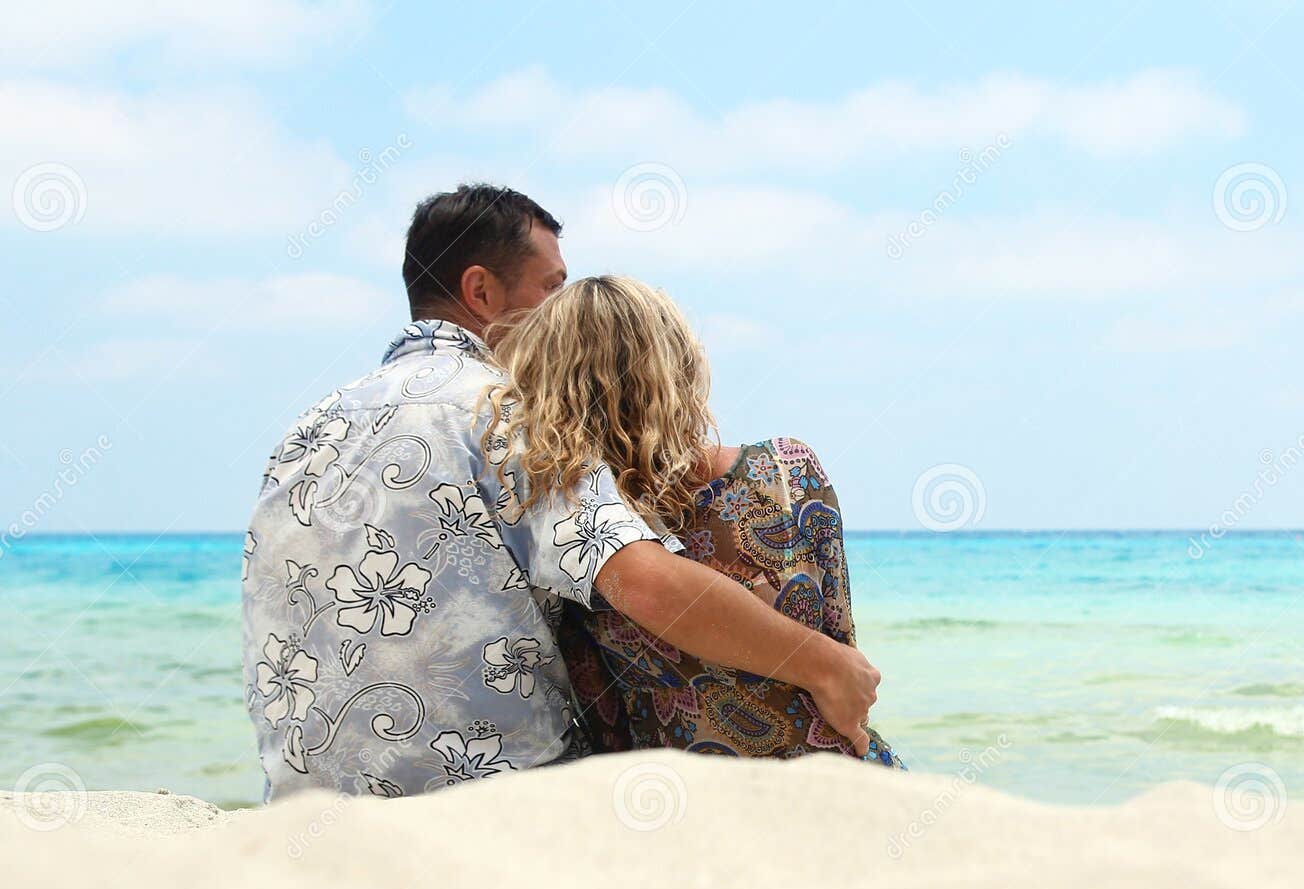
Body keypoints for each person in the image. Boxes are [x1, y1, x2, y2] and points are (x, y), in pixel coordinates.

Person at [242, 186, 880, 798]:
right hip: (474, 797)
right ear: (480, 291)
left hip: (304, 799)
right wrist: (826, 665)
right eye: (552, 288)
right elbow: (645, 583)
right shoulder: (504, 415)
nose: (564, 310)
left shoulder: (308, 429)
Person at [485, 275, 901, 767]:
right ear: (678, 365)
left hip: (674, 799)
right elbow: (841, 642)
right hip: (820, 768)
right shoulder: (784, 470)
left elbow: (598, 701)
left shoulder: (566, 523)